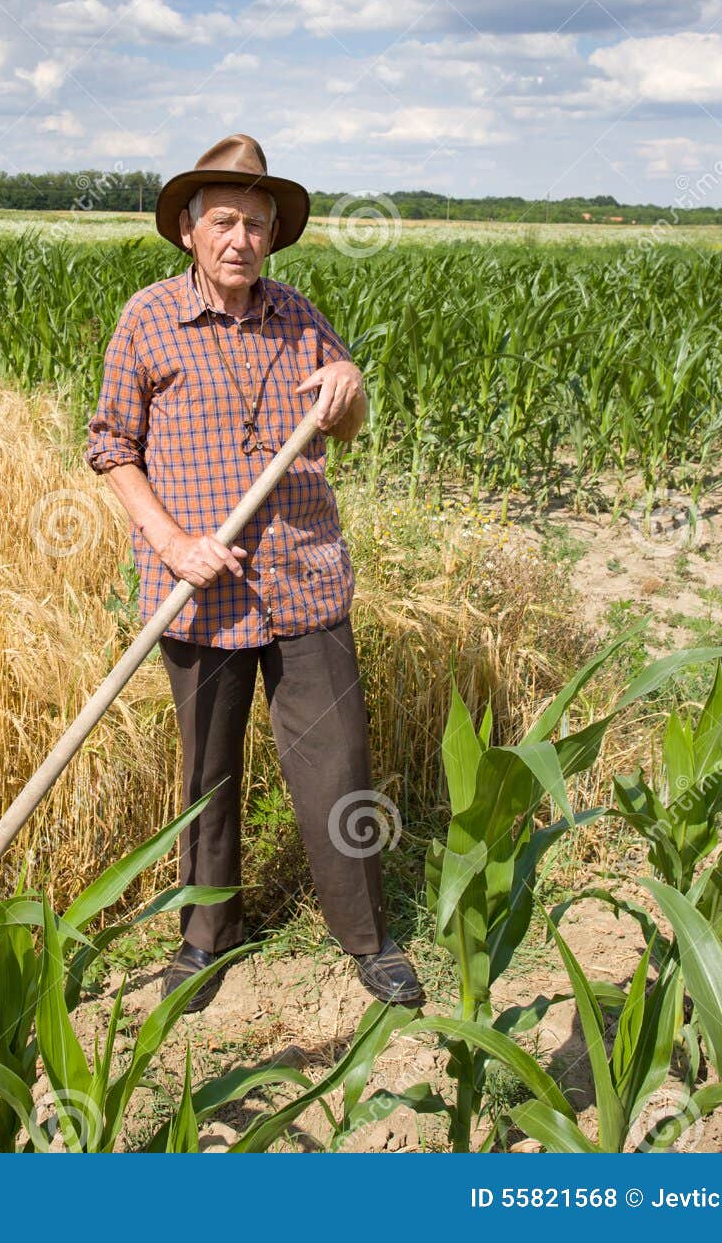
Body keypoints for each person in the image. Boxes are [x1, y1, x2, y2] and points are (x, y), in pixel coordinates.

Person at [84, 134, 422, 1011]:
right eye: (224, 221)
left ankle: (367, 938)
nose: (241, 238)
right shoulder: (148, 319)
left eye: (257, 225)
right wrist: (170, 545)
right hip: (197, 589)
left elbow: (343, 424)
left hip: (303, 578)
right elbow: (111, 447)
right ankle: (207, 935)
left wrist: (348, 387)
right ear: (190, 232)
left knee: (337, 764)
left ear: (272, 237)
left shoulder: (298, 316)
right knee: (207, 769)